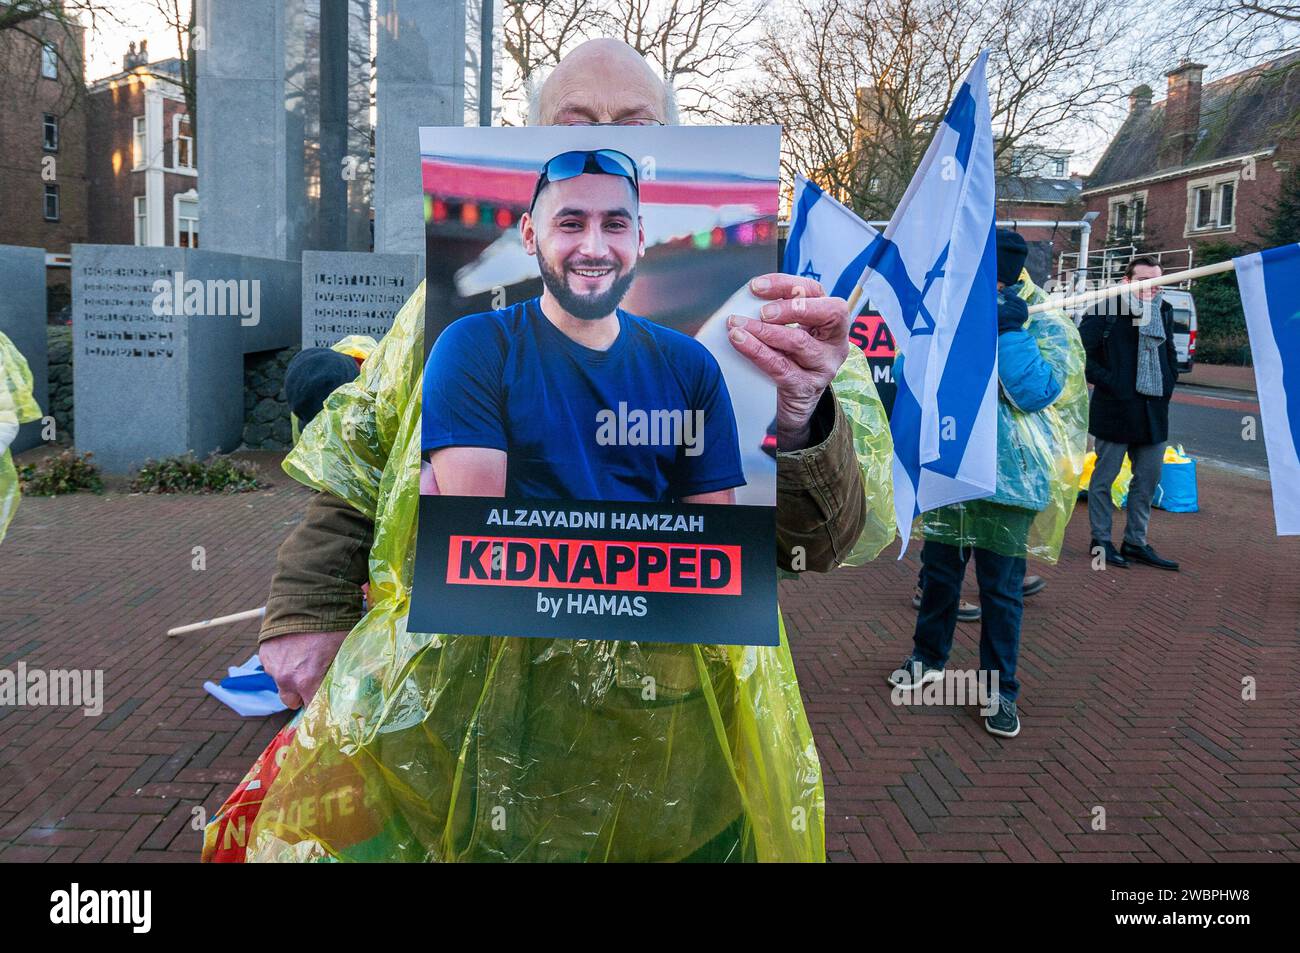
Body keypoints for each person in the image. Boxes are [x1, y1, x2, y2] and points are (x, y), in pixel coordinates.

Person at [240, 38, 892, 862]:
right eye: (572, 125)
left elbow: (809, 543)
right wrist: (307, 606)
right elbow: (359, 469)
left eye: (635, 126)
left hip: (668, 739)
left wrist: (796, 421)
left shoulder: (758, 333)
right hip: (460, 716)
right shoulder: (451, 327)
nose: (593, 235)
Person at [423, 148, 743, 504]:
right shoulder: (475, 348)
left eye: (615, 225)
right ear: (530, 235)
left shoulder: (690, 366)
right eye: (571, 224)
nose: (594, 248)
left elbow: (714, 543)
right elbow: (477, 535)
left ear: (638, 238)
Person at [889, 230, 1081, 739]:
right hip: (950, 469)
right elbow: (911, 373)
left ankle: (999, 690)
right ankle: (927, 659)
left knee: (999, 591)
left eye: (996, 278)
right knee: (939, 577)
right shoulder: (948, 308)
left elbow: (1036, 392)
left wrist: (1010, 333)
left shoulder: (1042, 320)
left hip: (1008, 480)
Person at [1078, 255, 1179, 570]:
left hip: (1153, 411)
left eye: (1156, 280)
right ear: (1127, 281)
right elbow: (1082, 354)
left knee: (1148, 479)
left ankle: (1135, 542)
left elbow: (1170, 354)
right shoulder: (1106, 309)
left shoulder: (1163, 309)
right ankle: (1101, 541)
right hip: (1116, 408)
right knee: (1104, 479)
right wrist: (1114, 382)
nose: (1151, 287)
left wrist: (1167, 382)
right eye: (1143, 280)